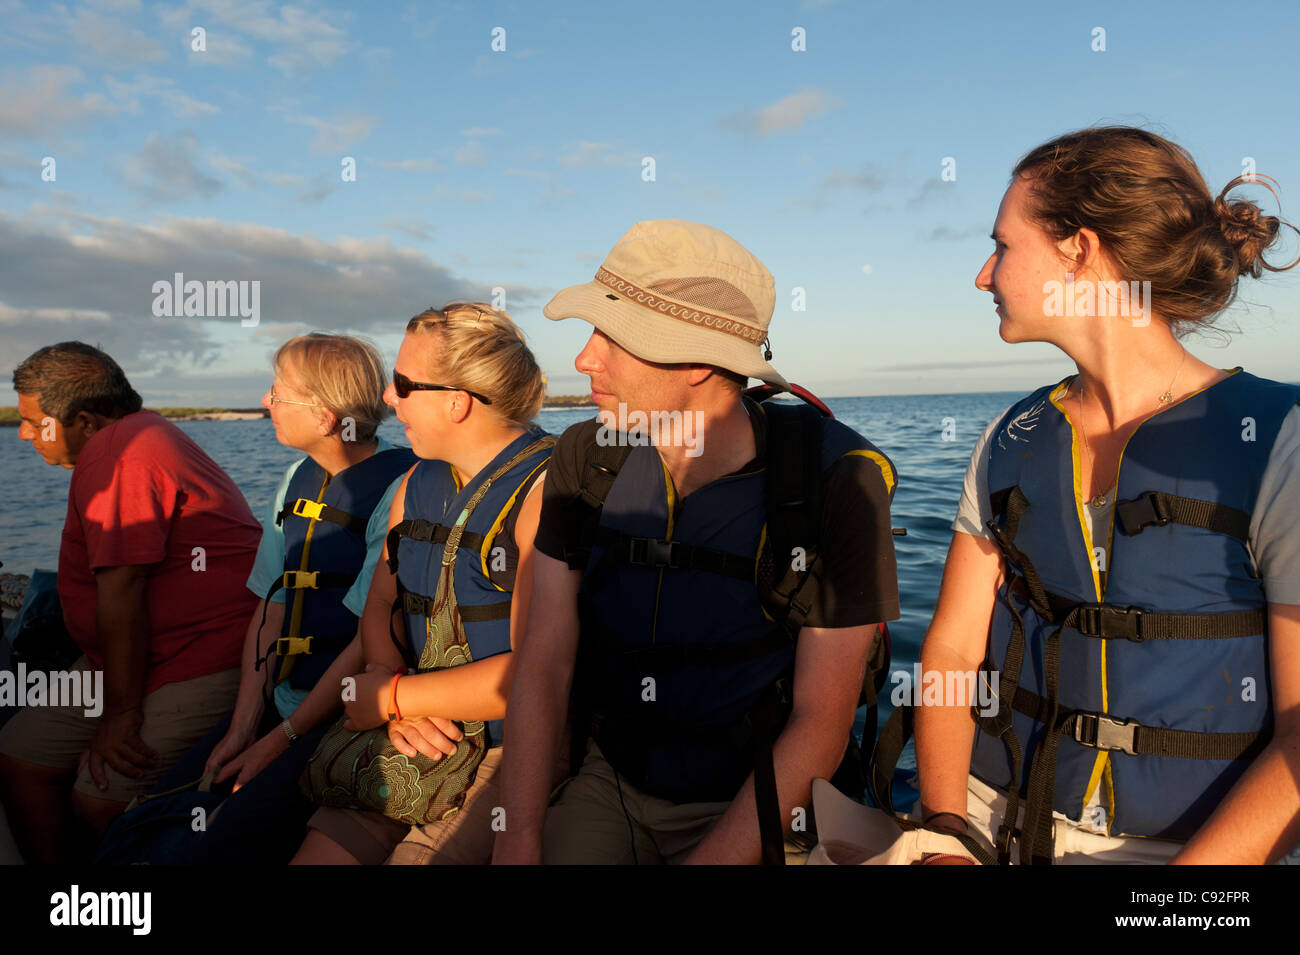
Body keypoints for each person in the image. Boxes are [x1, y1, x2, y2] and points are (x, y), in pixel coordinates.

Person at [913, 126, 1300, 864]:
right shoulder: (1007, 439)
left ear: (1078, 251)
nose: (982, 274)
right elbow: (953, 651)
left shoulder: (1280, 445)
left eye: (1002, 245)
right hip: (988, 821)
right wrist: (942, 831)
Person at [492, 219, 900, 865]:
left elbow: (821, 722)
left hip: (762, 793)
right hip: (617, 783)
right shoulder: (586, 458)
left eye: (612, 336)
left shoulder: (836, 478)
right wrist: (516, 840)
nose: (582, 358)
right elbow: (544, 663)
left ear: (700, 361)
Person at [105, 333, 416, 864]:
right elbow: (271, 607)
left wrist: (279, 741)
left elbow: (370, 636)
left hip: (342, 720)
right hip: (279, 706)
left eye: (278, 392)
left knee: (215, 844)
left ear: (322, 416)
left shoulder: (399, 487)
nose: (267, 402)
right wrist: (243, 725)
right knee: (141, 821)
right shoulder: (297, 476)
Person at [290, 302, 553, 865]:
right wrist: (387, 680)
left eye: (405, 384)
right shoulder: (415, 482)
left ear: (457, 402)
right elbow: (383, 602)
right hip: (410, 727)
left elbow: (538, 670)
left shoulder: (543, 492)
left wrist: (389, 697)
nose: (388, 397)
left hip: (508, 748)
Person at [0, 342, 261, 863]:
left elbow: (123, 590)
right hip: (131, 654)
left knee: (100, 799)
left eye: (35, 422)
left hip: (200, 655)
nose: (24, 434)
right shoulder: (125, 437)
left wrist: (119, 716)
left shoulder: (124, 454)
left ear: (85, 420)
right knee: (21, 757)